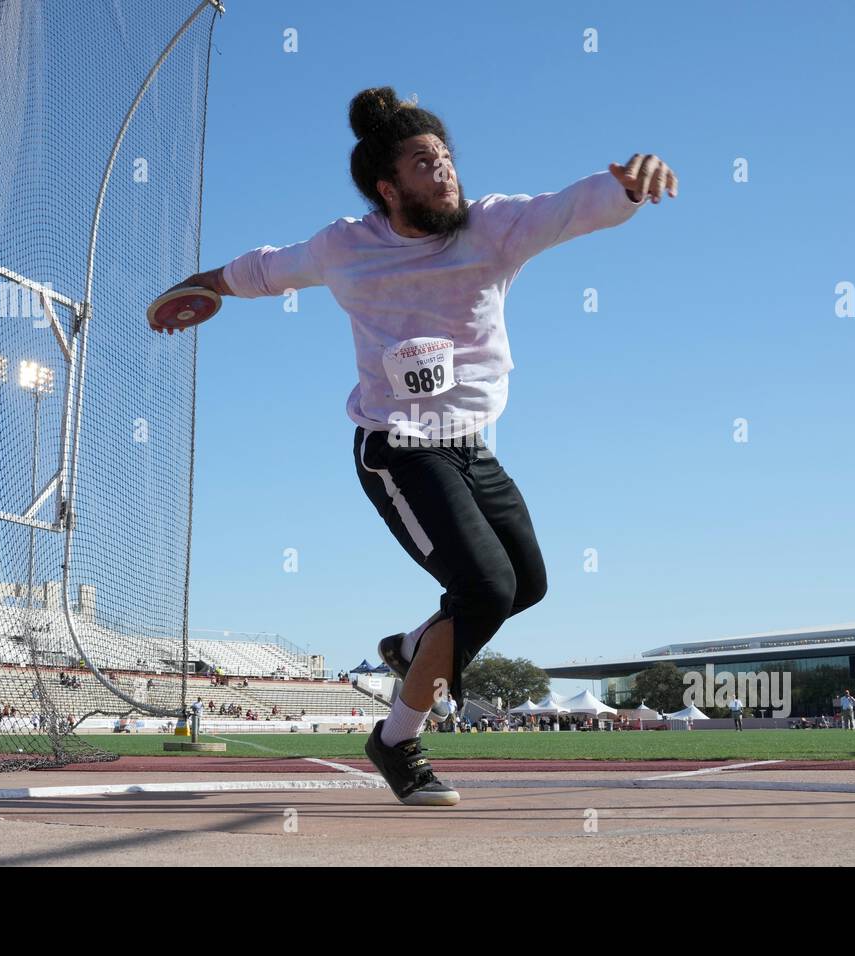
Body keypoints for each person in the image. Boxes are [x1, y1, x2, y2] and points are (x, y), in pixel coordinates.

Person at [153, 88, 675, 807]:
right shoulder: (347, 247)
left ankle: (409, 646)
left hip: (473, 448)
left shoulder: (493, 227)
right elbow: (266, 269)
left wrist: (626, 187)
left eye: (447, 157)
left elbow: (569, 208)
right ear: (387, 188)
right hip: (398, 449)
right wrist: (199, 288)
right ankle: (396, 739)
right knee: (485, 590)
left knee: (526, 585)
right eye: (425, 163)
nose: (446, 171)